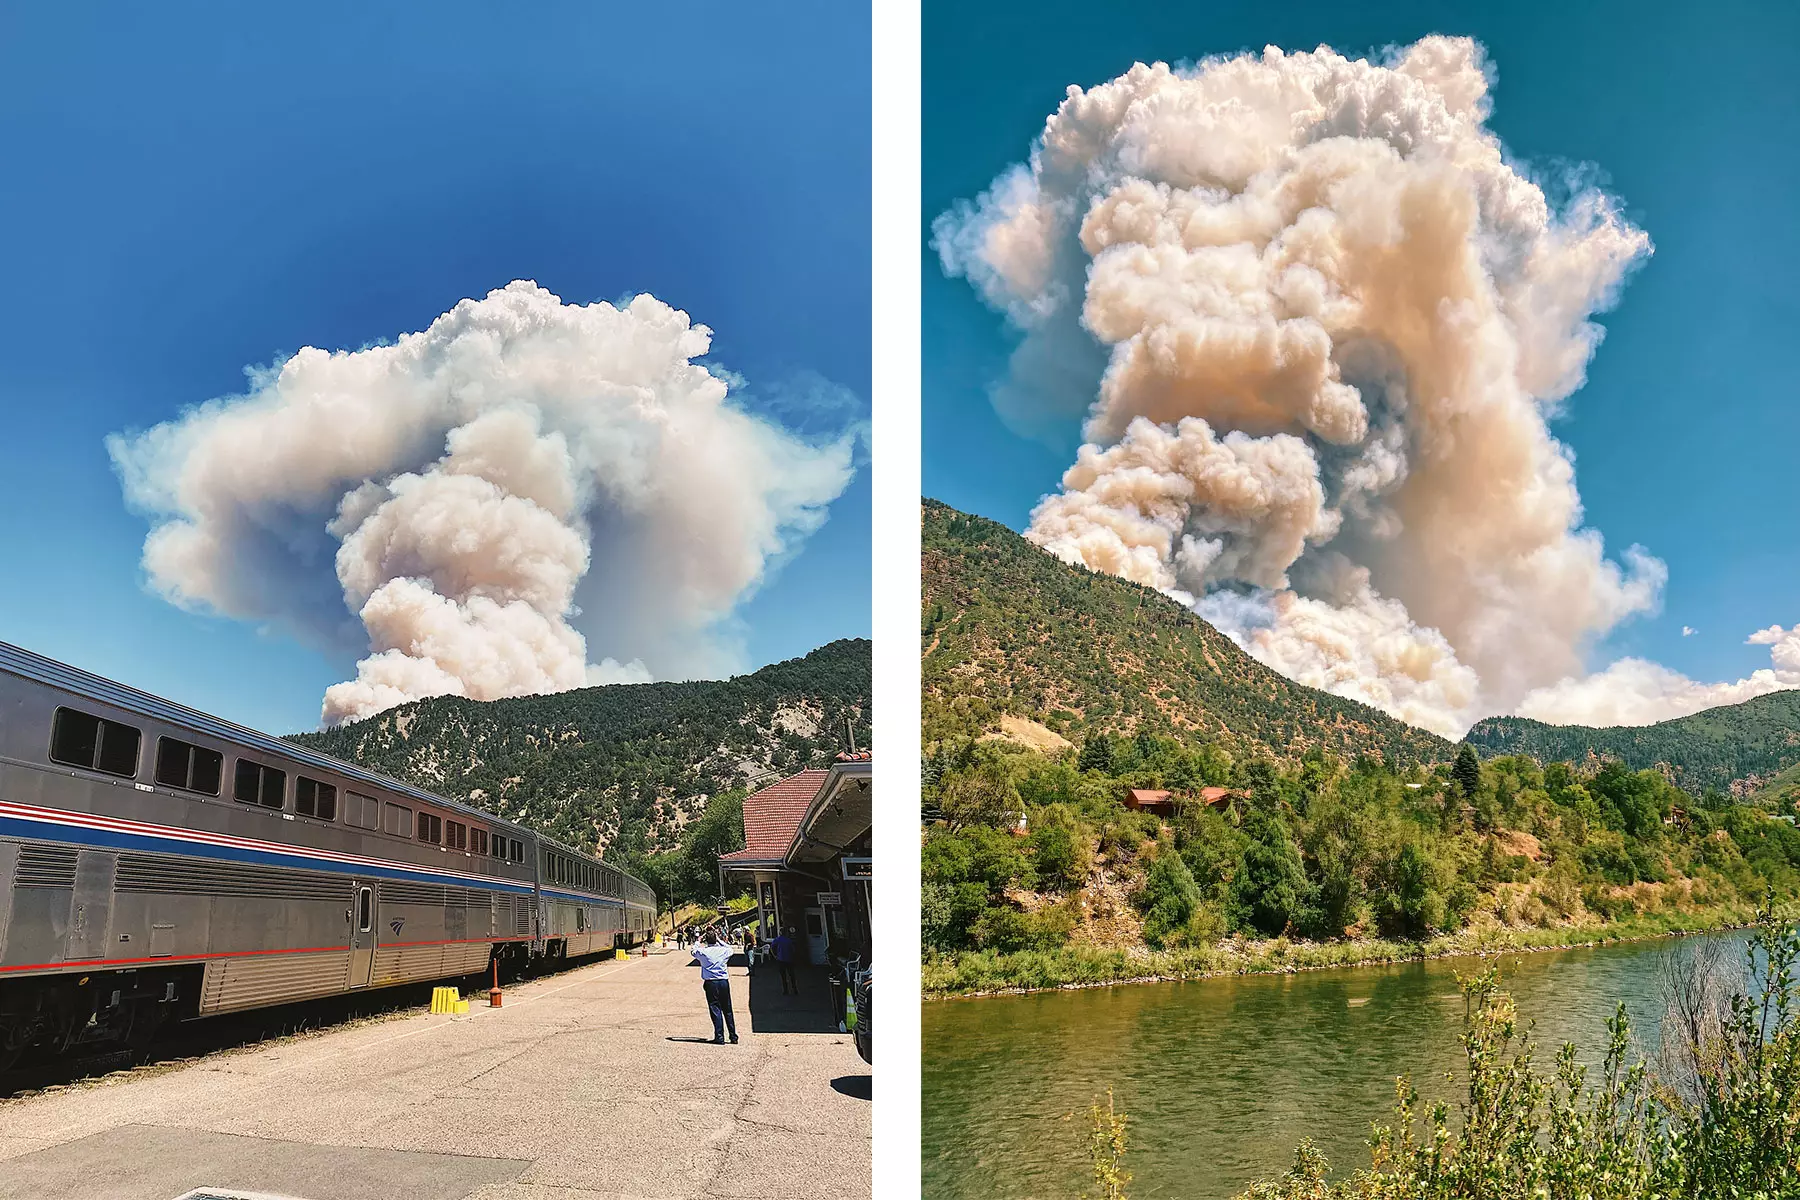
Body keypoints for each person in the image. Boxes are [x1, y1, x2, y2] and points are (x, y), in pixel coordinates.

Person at [691, 928, 738, 1044]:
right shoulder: (723, 951)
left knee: (715, 1008)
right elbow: (730, 949)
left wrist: (698, 940)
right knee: (727, 1009)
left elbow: (693, 951)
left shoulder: (703, 952)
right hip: (723, 981)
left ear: (706, 941)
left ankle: (719, 1036)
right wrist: (719, 940)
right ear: (716, 939)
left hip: (711, 982)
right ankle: (733, 1036)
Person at [771, 924, 800, 995]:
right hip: (789, 959)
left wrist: (775, 955)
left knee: (783, 976)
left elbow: (772, 947)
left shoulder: (777, 939)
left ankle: (785, 990)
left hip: (781, 959)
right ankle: (795, 989)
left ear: (780, 932)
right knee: (792, 975)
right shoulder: (789, 940)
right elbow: (793, 950)